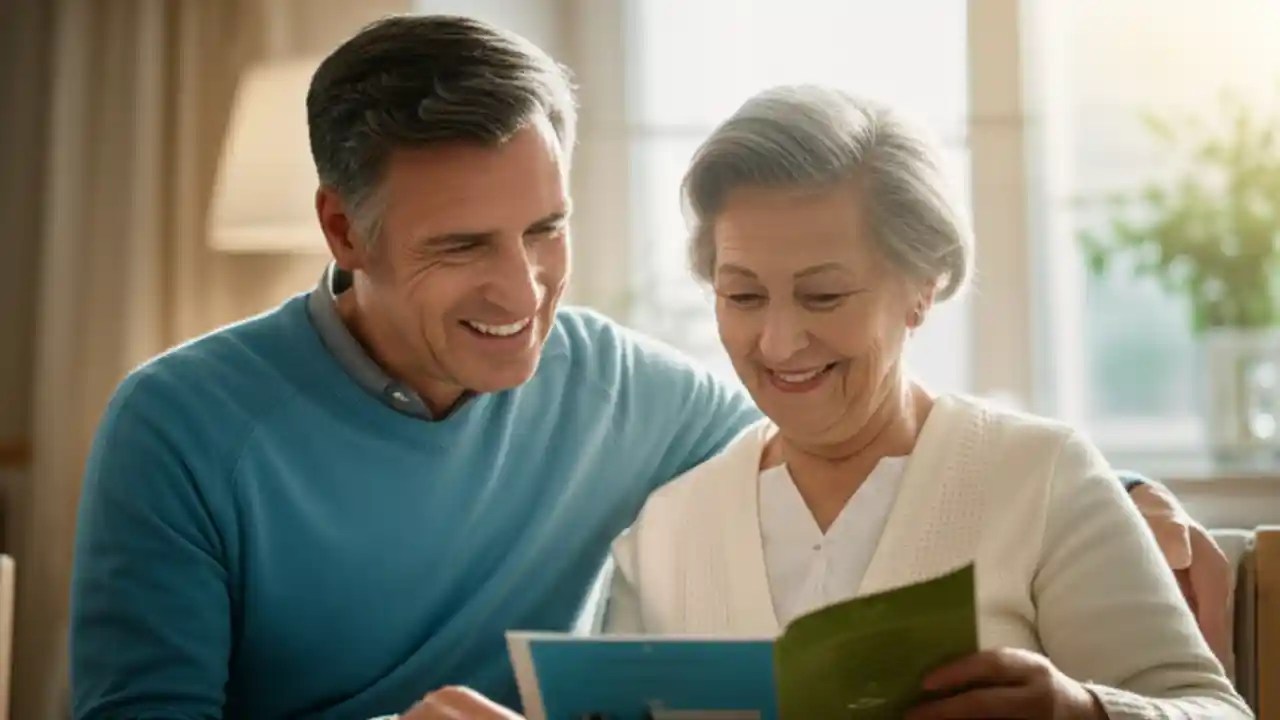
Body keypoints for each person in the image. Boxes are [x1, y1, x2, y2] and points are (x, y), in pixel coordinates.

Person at [67, 15, 1230, 720]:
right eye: (461, 247)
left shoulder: (630, 394)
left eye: (546, 229)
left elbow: (843, 415)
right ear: (342, 232)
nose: (523, 297)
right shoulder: (179, 424)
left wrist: (1115, 495)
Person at [603, 86, 1251, 719]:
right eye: (742, 297)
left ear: (922, 288)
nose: (777, 342)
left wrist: (1081, 711)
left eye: (823, 296)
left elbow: (1214, 709)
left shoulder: (1038, 477)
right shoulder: (666, 531)